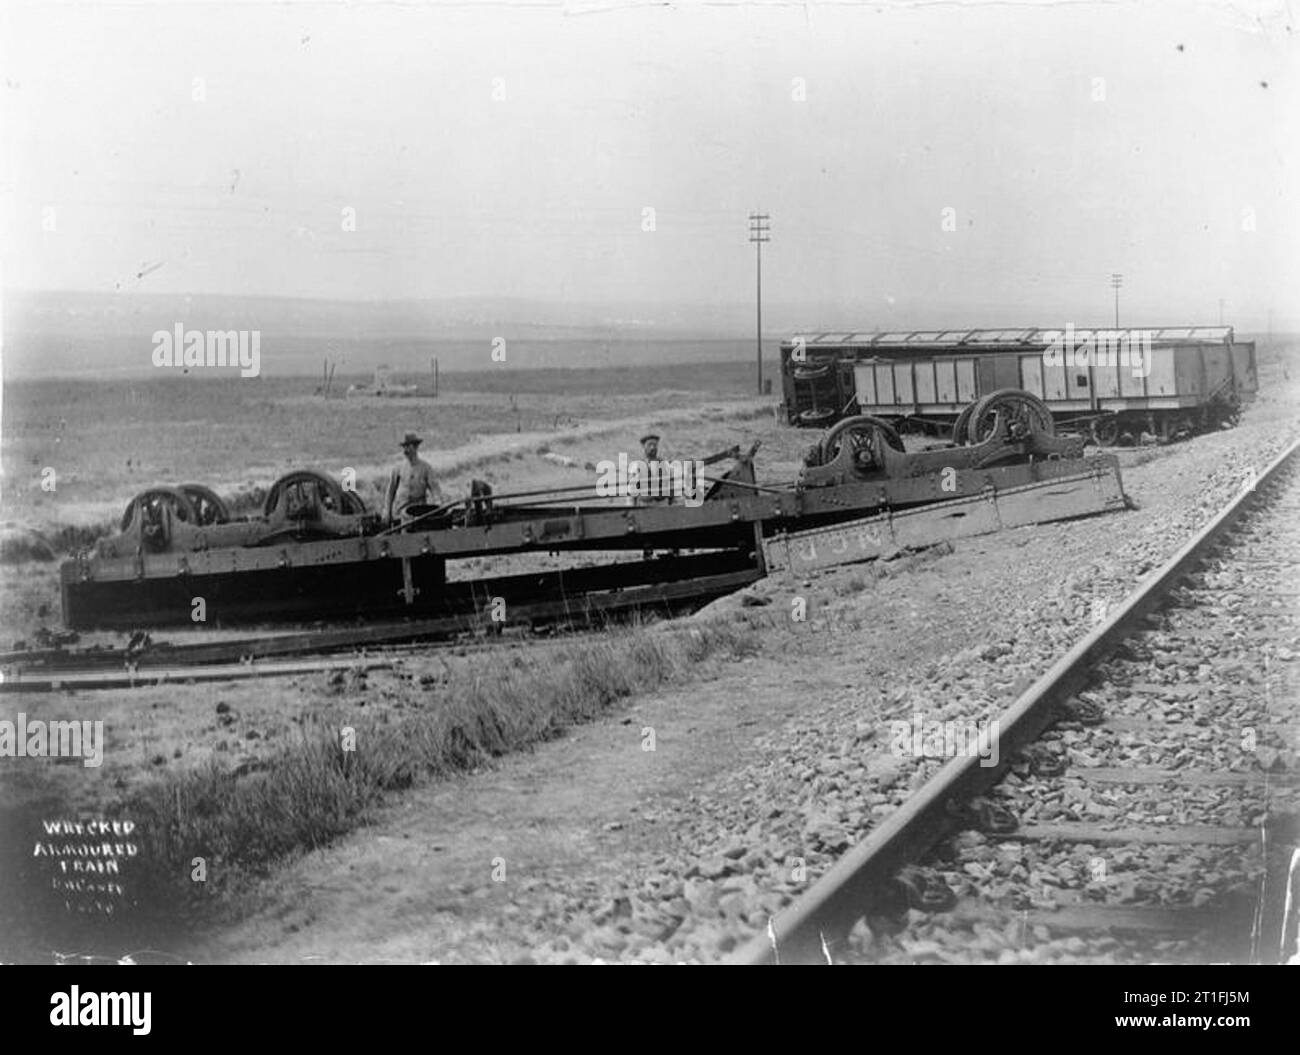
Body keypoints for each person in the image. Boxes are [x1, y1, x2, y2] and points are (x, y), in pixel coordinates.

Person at [385, 432, 442, 526]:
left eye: (408, 446)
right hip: (400, 514)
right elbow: (390, 493)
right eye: (404, 447)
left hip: (418, 515)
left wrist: (438, 504)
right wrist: (387, 511)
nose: (405, 450)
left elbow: (435, 490)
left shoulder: (426, 468)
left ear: (415, 447)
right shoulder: (398, 469)